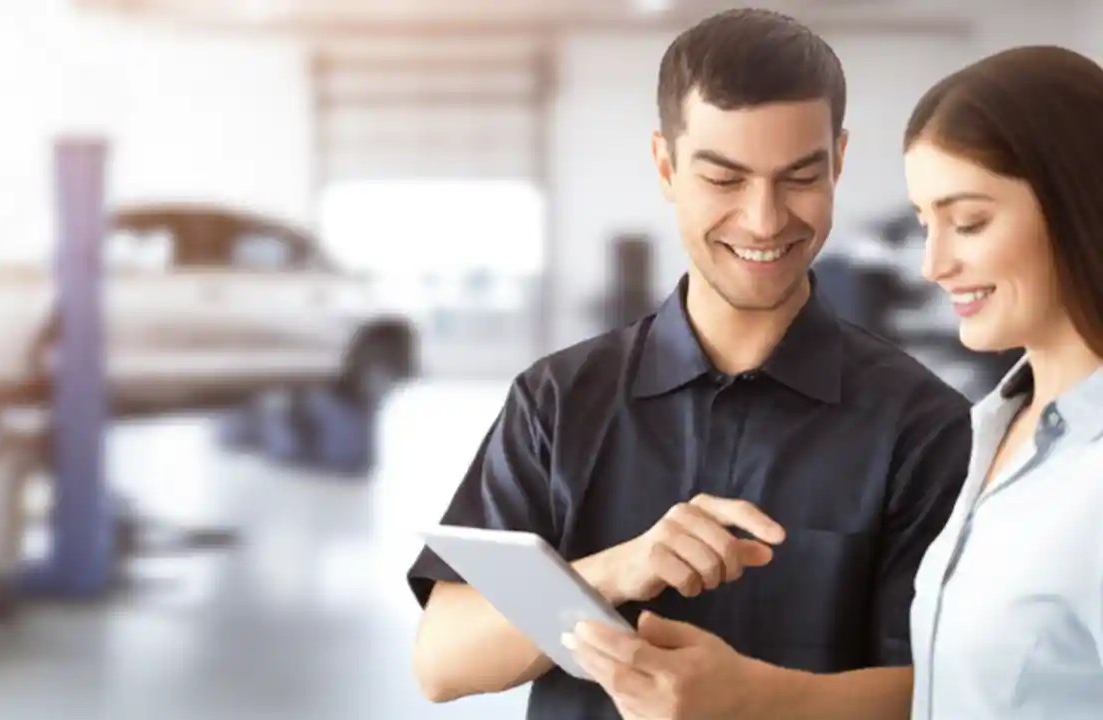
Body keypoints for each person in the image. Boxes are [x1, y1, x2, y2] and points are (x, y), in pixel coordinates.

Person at [406, 9, 972, 719]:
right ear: (666, 166)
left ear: (839, 161)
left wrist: (753, 703)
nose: (765, 221)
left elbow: (942, 692)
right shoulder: (556, 401)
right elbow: (442, 660)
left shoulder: (923, 426)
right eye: (725, 180)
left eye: (799, 177)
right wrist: (617, 569)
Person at [567, 44, 1103, 719]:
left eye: (968, 222)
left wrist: (752, 698)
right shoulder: (991, 435)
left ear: (1082, 201)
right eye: (923, 223)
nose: (934, 264)